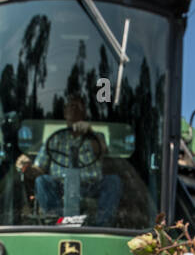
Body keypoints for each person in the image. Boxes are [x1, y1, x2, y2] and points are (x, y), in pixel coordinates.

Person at [16, 96, 122, 225]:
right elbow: (40, 169)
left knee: (113, 181)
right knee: (41, 181)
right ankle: (57, 221)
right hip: (60, 185)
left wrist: (89, 132)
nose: (73, 109)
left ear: (84, 112)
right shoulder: (54, 139)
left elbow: (103, 152)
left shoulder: (96, 137)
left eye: (77, 107)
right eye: (70, 106)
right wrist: (27, 167)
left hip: (90, 186)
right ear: (65, 112)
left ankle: (103, 226)